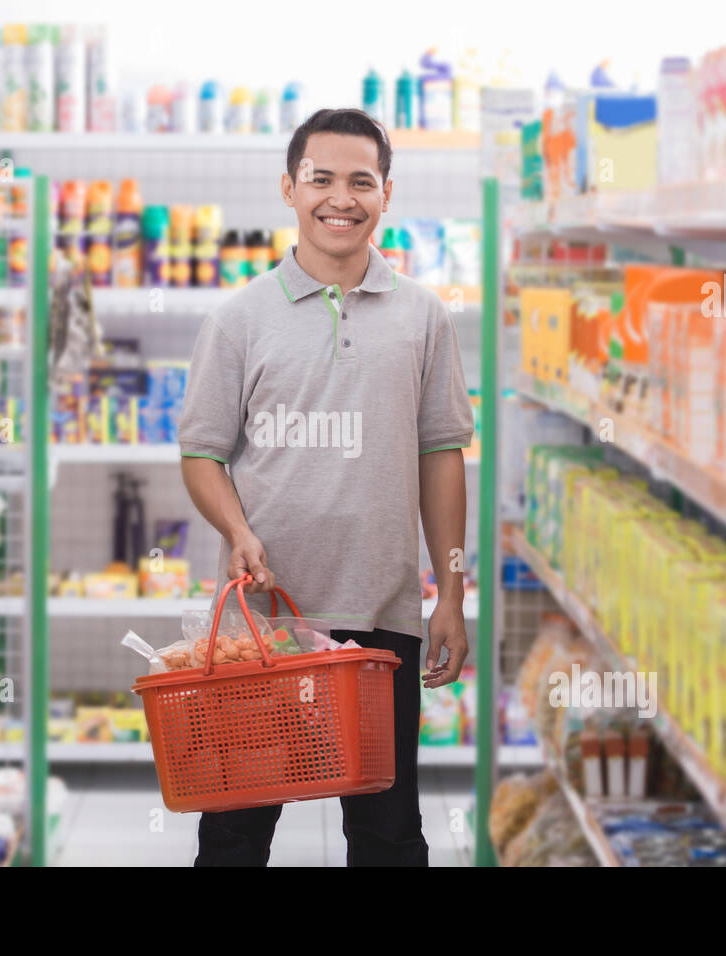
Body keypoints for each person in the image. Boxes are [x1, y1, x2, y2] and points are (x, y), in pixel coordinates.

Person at [178, 107, 474, 866]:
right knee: (236, 837)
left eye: (361, 182)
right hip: (262, 623)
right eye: (321, 179)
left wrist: (452, 594)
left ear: (385, 195)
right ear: (288, 187)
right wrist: (239, 533)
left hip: (382, 613)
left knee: (387, 835)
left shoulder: (423, 318)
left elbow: (442, 454)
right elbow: (202, 454)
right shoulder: (240, 319)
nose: (340, 198)